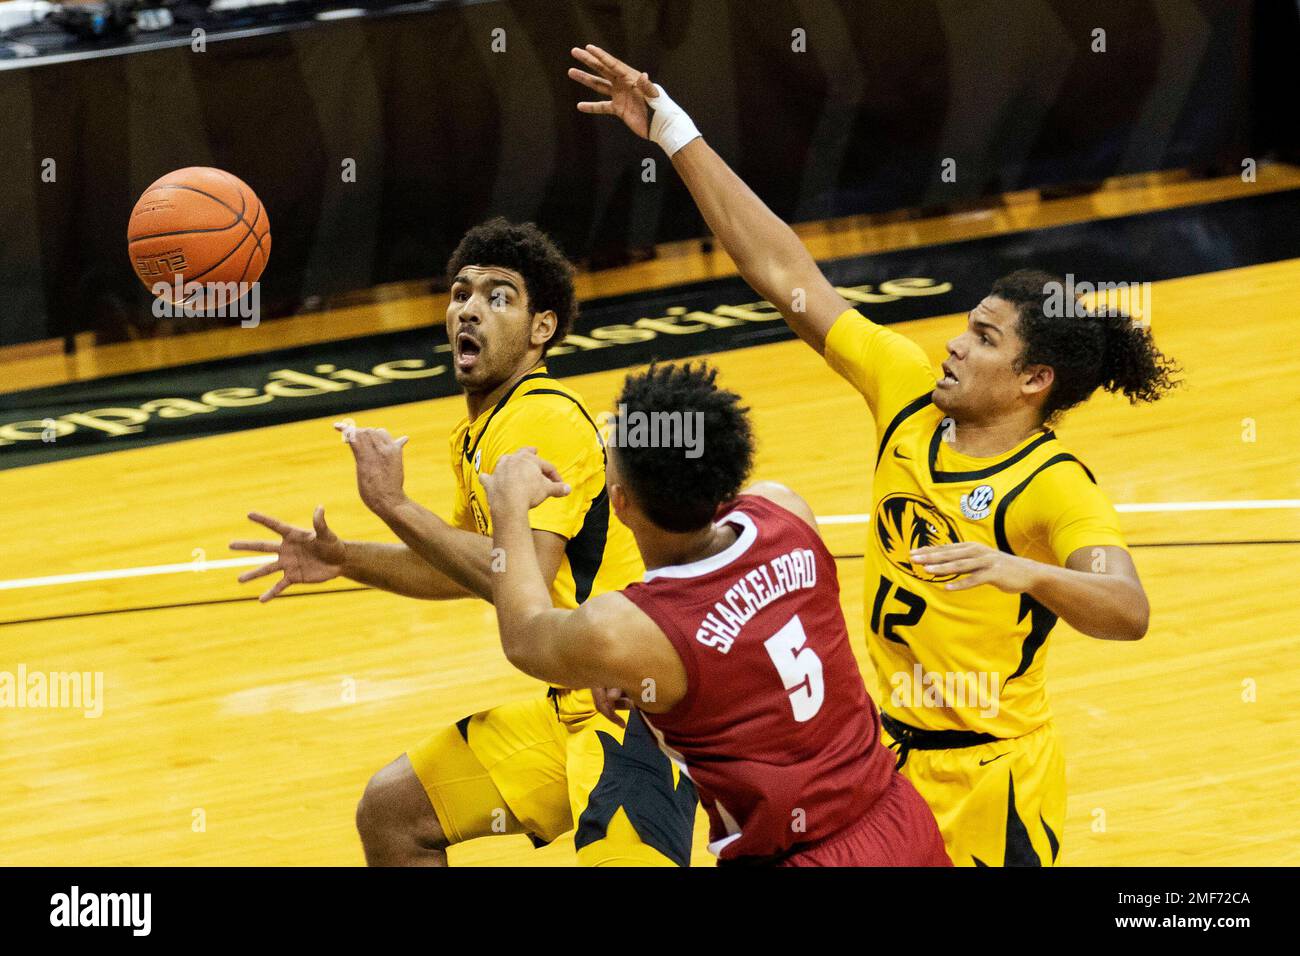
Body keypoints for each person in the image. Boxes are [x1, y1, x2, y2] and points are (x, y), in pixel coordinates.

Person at [567, 45, 1180, 866]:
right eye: (966, 325)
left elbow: (1127, 608)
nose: (954, 346)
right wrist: (673, 130)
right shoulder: (906, 391)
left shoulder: (1053, 489)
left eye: (983, 340)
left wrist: (1027, 572)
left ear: (1034, 380)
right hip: (872, 765)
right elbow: (786, 271)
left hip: (989, 785)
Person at [231, 218, 697, 867]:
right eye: (460, 294)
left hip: (632, 719)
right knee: (395, 814)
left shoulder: (545, 418)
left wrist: (394, 505)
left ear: (543, 329)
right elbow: (465, 567)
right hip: (570, 707)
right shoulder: (480, 432)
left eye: (498, 296)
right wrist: (346, 558)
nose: (469, 309)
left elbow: (522, 570)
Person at [480, 361, 951, 866]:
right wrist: (642, 672)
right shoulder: (785, 509)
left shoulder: (629, 630)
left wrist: (508, 505)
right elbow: (750, 633)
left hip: (796, 856)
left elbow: (525, 637)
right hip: (899, 821)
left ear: (619, 505)